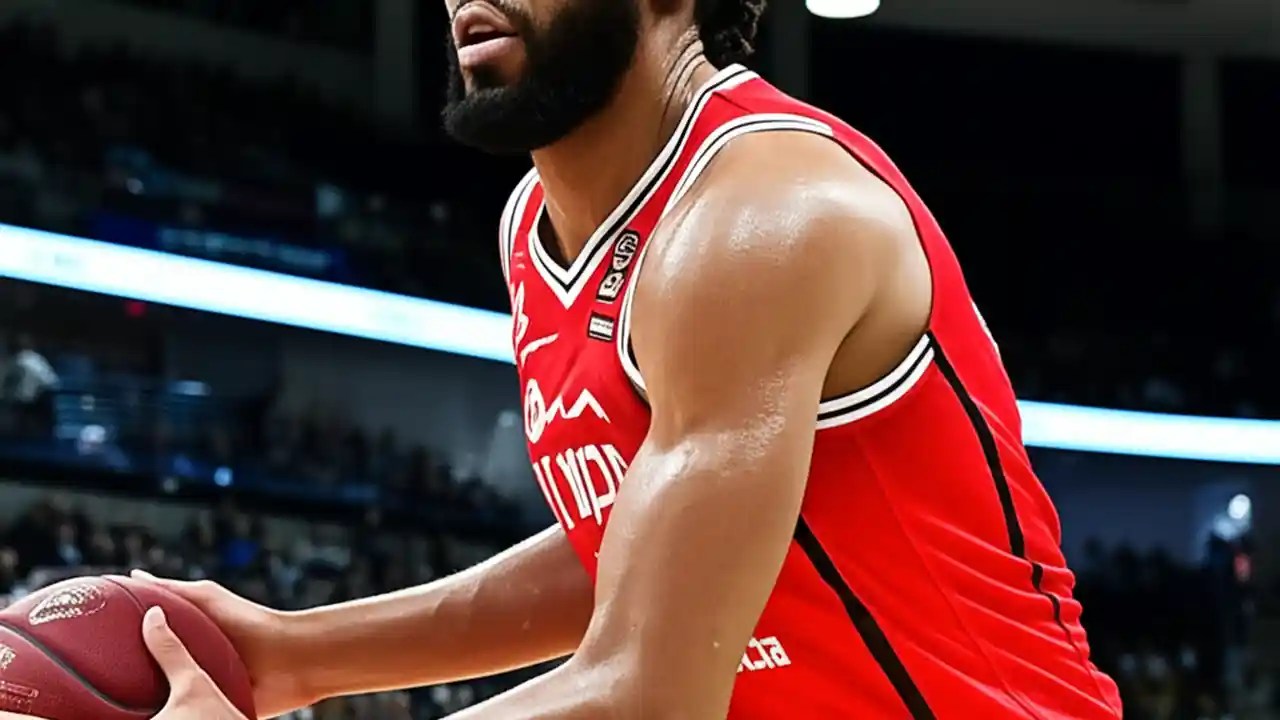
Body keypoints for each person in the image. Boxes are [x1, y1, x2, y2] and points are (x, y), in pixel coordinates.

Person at [125, 0, 1124, 717]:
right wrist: (295, 656)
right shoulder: (535, 227)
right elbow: (635, 550)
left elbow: (650, 691)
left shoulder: (762, 214)